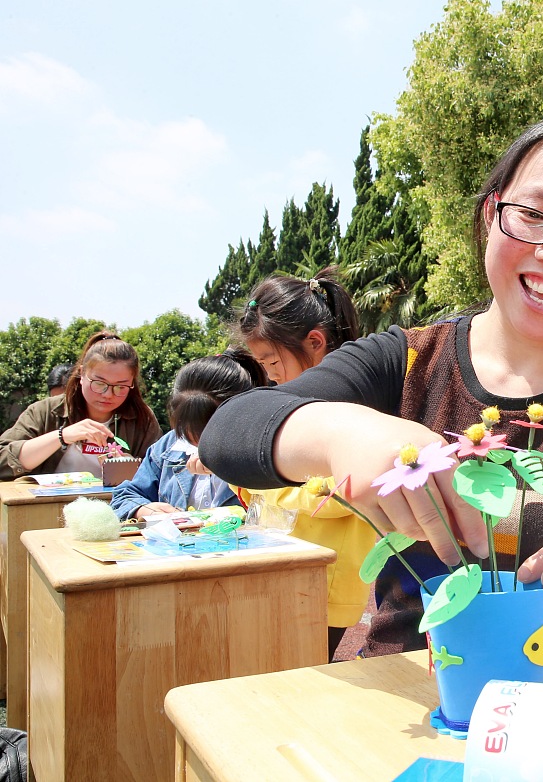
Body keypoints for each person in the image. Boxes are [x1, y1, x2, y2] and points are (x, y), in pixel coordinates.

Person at [202, 109, 543, 663]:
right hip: (408, 695)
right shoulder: (406, 361)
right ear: (491, 214)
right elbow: (229, 432)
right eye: (532, 214)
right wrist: (342, 431)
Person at [223, 267, 378, 661]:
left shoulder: (353, 409)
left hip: (326, 579)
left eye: (272, 362)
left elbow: (340, 495)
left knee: (295, 679)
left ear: (315, 343)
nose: (271, 377)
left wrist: (256, 483)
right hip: (295, 569)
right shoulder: (300, 407)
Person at [110, 349, 267, 521]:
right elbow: (124, 496)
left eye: (211, 436)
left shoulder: (266, 450)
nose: (201, 446)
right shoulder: (168, 446)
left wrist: (233, 470)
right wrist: (144, 510)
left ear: (241, 414)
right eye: (188, 435)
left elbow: (285, 509)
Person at [0, 331, 162, 480]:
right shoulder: (45, 411)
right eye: (99, 383)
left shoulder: (142, 419)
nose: (108, 394)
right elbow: (3, 460)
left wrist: (131, 468)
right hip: (46, 508)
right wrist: (62, 436)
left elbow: (161, 474)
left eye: (120, 386)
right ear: (82, 374)